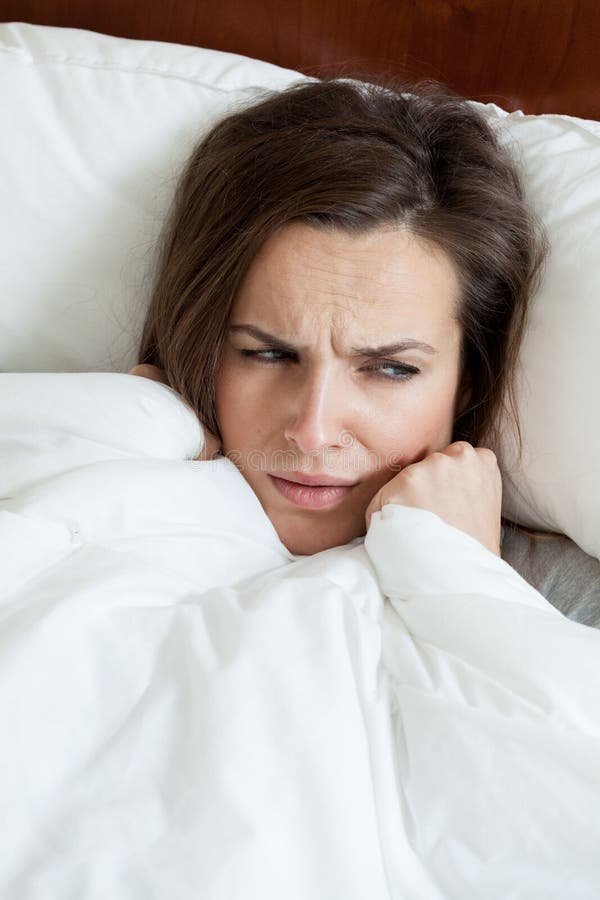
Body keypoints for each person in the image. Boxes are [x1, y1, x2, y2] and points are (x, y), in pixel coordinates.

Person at [130, 76, 600, 624]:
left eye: (390, 369)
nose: (314, 430)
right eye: (269, 354)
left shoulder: (561, 603)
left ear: (467, 378)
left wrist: (466, 582)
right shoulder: (68, 484)